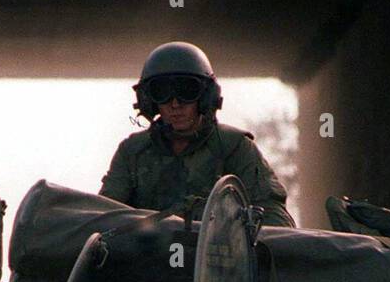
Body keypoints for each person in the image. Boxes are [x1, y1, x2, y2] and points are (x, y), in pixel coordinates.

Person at [100, 42, 295, 227]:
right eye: (162, 92)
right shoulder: (133, 151)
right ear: (150, 101)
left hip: (218, 258)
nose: (175, 104)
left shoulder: (234, 147)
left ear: (205, 97)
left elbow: (273, 217)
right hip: (148, 256)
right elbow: (105, 216)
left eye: (187, 90)